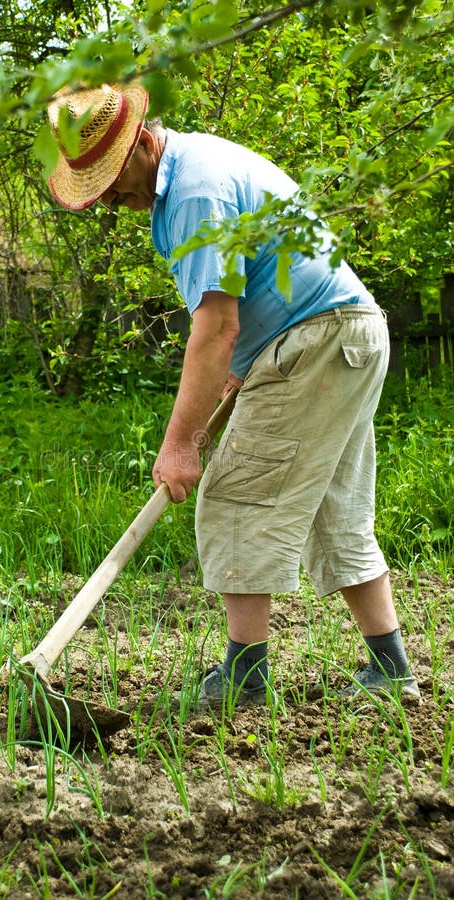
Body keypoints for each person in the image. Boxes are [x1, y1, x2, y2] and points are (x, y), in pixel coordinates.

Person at [45, 82, 419, 708]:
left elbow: (216, 326)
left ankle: (246, 678)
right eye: (96, 184)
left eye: (111, 176)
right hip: (344, 333)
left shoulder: (194, 189)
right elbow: (242, 303)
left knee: (232, 494)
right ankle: (392, 667)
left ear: (140, 140)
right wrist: (243, 370)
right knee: (334, 509)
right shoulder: (194, 170)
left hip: (317, 340)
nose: (109, 196)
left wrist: (181, 445)